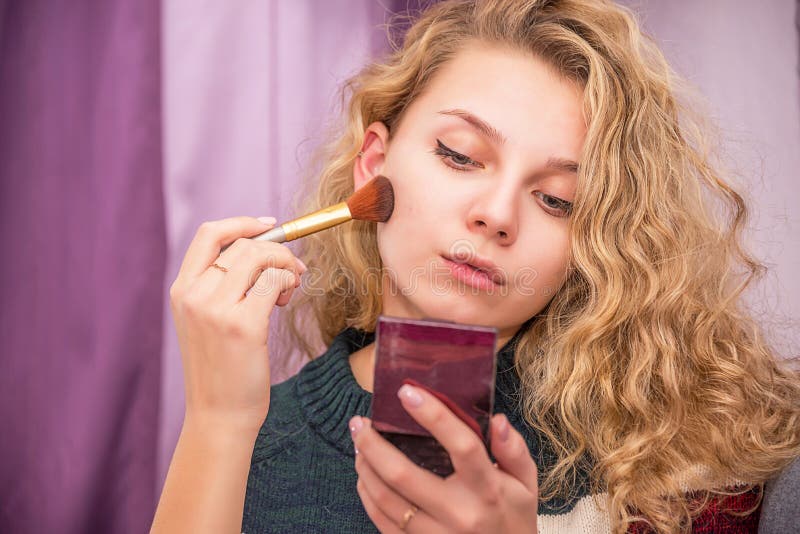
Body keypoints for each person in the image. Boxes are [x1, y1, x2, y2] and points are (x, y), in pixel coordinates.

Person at [150, 0, 800, 532]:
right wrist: (218, 421)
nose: (496, 214)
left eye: (556, 200)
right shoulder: (257, 437)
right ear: (374, 165)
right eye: (460, 155)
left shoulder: (680, 454)